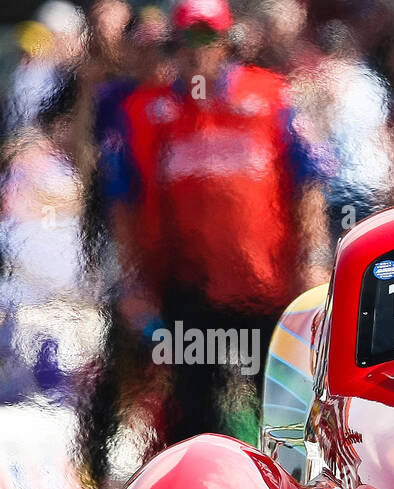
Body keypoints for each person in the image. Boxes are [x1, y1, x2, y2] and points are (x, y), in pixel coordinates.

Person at [100, 0, 328, 452]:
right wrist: (134, 282)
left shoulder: (271, 96)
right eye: (186, 38)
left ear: (226, 41)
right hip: (190, 292)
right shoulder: (148, 112)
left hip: (269, 287)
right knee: (193, 420)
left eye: (206, 37)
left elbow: (310, 181)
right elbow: (124, 201)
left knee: (290, 417)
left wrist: (315, 260)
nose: (196, 50)